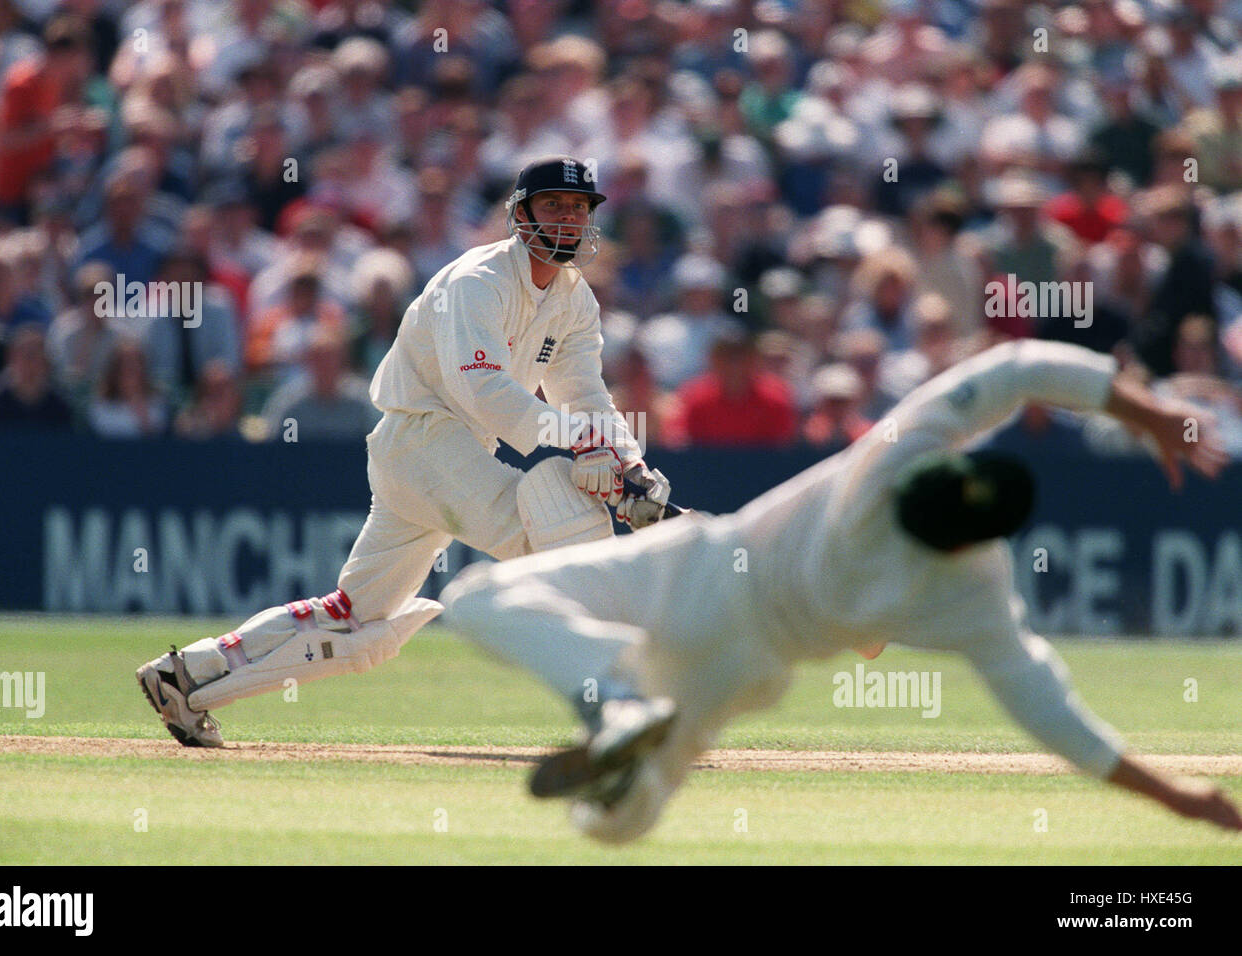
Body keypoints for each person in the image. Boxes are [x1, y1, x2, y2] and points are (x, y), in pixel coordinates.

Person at [440, 339, 1242, 843]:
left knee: (480, 601)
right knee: (618, 826)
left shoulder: (905, 454)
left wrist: (1150, 412)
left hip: (697, 569)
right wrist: (1175, 798)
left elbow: (1019, 368)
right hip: (739, 661)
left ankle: (615, 701)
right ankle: (621, 712)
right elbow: (1056, 718)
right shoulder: (973, 594)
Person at [136, 156, 674, 746]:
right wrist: (584, 447)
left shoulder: (575, 299)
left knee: (356, 619)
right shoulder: (477, 281)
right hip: (425, 437)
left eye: (579, 209)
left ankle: (185, 676)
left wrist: (630, 465)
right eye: (554, 206)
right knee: (557, 531)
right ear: (521, 215)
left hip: (432, 458)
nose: (569, 220)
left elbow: (584, 391)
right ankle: (617, 703)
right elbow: (485, 388)